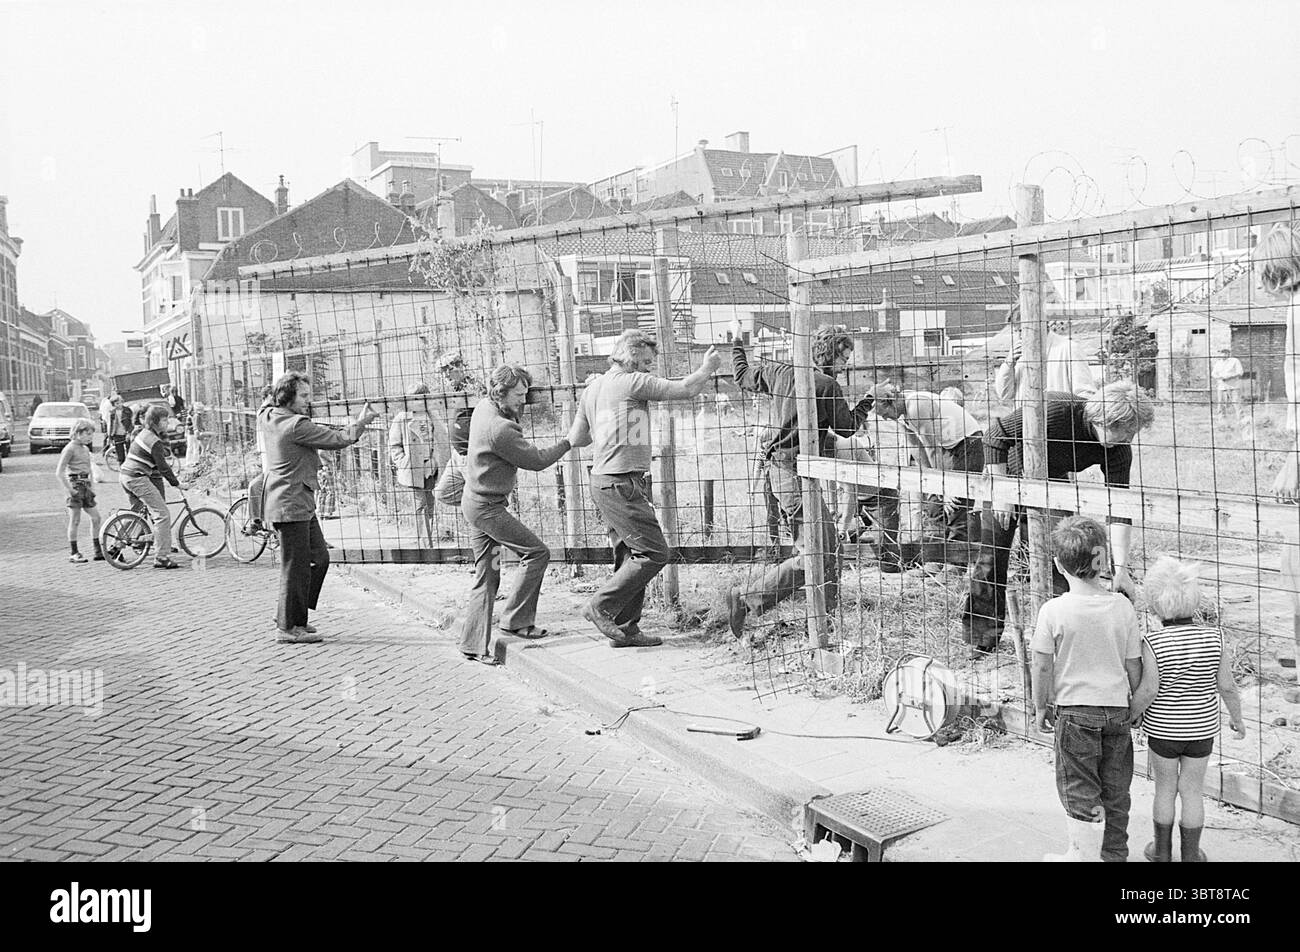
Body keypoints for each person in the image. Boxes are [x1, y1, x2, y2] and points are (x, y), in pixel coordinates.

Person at [963, 382, 1155, 655]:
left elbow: (1118, 507)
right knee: (991, 558)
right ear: (1105, 419)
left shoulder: (1118, 448)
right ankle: (982, 638)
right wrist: (1002, 490)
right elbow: (995, 435)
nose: (1129, 439)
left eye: (1133, 433)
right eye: (1125, 431)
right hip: (1008, 474)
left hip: (1053, 485)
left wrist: (1120, 568)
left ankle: (1060, 635)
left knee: (1066, 556)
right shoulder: (1058, 410)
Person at [724, 317, 873, 638]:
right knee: (817, 554)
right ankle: (748, 599)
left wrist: (737, 343)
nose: (845, 366)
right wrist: (869, 400)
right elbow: (846, 428)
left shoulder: (779, 371)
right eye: (843, 359)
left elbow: (741, 375)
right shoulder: (826, 385)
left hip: (782, 470)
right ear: (829, 355)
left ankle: (823, 620)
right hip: (794, 475)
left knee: (828, 549)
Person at [570, 330, 721, 647]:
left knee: (629, 554)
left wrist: (610, 423)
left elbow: (578, 439)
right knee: (654, 553)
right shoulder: (631, 381)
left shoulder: (595, 387)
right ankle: (600, 607)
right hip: (621, 482)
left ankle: (626, 630)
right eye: (647, 362)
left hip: (604, 480)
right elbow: (686, 389)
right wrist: (707, 368)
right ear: (631, 356)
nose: (650, 368)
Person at [1031, 516, 1143, 863]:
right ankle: (1112, 855)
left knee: (1080, 788)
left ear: (1057, 565)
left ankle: (1081, 855)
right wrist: (1136, 705)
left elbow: (1042, 665)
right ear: (1103, 561)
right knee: (1115, 788)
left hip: (1075, 712)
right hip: (1116, 712)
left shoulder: (1053, 611)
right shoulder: (1122, 607)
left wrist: (1039, 705)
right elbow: (1133, 664)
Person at [459, 365, 581, 663]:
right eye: (519, 395)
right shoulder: (500, 429)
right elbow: (536, 461)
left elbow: (512, 416)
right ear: (500, 392)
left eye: (527, 394)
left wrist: (515, 402)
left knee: (487, 574)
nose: (523, 401)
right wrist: (569, 441)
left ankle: (473, 645)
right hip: (488, 508)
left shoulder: (484, 409)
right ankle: (516, 621)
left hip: (475, 502)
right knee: (537, 553)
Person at [1129, 557, 1246, 862]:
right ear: (1194, 598)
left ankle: (1162, 851)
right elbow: (1227, 686)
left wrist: (1132, 714)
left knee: (1165, 789)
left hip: (1164, 731)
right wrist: (1236, 718)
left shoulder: (1153, 642)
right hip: (1201, 731)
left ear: (1154, 605)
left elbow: (1149, 689)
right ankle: (1192, 854)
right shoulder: (1214, 637)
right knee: (1193, 791)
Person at [259, 372, 377, 644]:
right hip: (291, 503)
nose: (308, 401)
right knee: (295, 566)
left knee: (319, 557)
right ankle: (288, 628)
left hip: (297, 501)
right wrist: (362, 422)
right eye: (303, 396)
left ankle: (292, 616)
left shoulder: (268, 415)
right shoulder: (295, 425)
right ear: (287, 397)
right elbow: (338, 439)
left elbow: (266, 403)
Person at [870, 383, 985, 558]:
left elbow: (931, 447)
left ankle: (956, 563)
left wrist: (943, 486)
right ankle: (936, 558)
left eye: (885, 414)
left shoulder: (916, 405)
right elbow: (916, 447)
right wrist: (931, 482)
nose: (886, 419)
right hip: (946, 447)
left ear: (890, 402)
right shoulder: (901, 414)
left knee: (956, 503)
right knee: (935, 505)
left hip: (967, 443)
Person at [119, 405, 188, 570]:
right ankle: (162, 556)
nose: (167, 422)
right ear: (155, 421)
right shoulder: (155, 441)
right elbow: (163, 467)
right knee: (162, 515)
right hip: (137, 478)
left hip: (125, 475)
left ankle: (115, 545)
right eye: (164, 419)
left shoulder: (144, 434)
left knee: (136, 512)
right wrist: (178, 483)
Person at [994, 310, 1097, 404]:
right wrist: (1008, 364)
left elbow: (1085, 395)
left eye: (1022, 330)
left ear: (1040, 325)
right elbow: (1004, 395)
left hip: (1059, 420)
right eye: (1017, 331)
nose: (1019, 336)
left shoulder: (1069, 349)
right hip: (1024, 421)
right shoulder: (1018, 353)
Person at [388, 382, 447, 546]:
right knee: (419, 505)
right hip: (413, 467)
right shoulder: (402, 418)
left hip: (431, 466)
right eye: (413, 399)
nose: (417, 403)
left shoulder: (433, 417)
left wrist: (435, 460)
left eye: (421, 399)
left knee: (429, 504)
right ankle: (426, 545)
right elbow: (394, 445)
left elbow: (441, 439)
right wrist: (403, 462)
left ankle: (425, 537)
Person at [56, 419, 104, 563]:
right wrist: (70, 490)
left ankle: (97, 550)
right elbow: (59, 472)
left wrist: (92, 486)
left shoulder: (85, 449)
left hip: (86, 485)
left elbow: (89, 468)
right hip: (75, 484)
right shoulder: (69, 448)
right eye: (87, 434)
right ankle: (74, 552)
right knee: (75, 520)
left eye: (91, 434)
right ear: (77, 433)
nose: (90, 437)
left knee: (96, 517)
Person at [1210, 347, 1244, 415]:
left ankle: (1240, 420)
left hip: (1233, 386)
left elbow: (1240, 372)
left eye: (1225, 353)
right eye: (1221, 353)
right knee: (1221, 404)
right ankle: (1222, 422)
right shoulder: (1218, 363)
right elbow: (1213, 373)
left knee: (1236, 403)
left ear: (1228, 353)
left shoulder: (1234, 361)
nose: (1223, 354)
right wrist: (1219, 377)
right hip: (1222, 386)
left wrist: (1230, 376)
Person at [107, 395, 132, 466]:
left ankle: (130, 466)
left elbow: (131, 422)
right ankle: (122, 466)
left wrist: (129, 433)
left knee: (129, 451)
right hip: (117, 434)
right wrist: (110, 436)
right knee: (120, 452)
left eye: (120, 402)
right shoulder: (112, 412)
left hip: (126, 433)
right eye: (117, 403)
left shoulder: (127, 410)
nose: (119, 405)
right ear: (113, 404)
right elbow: (111, 424)